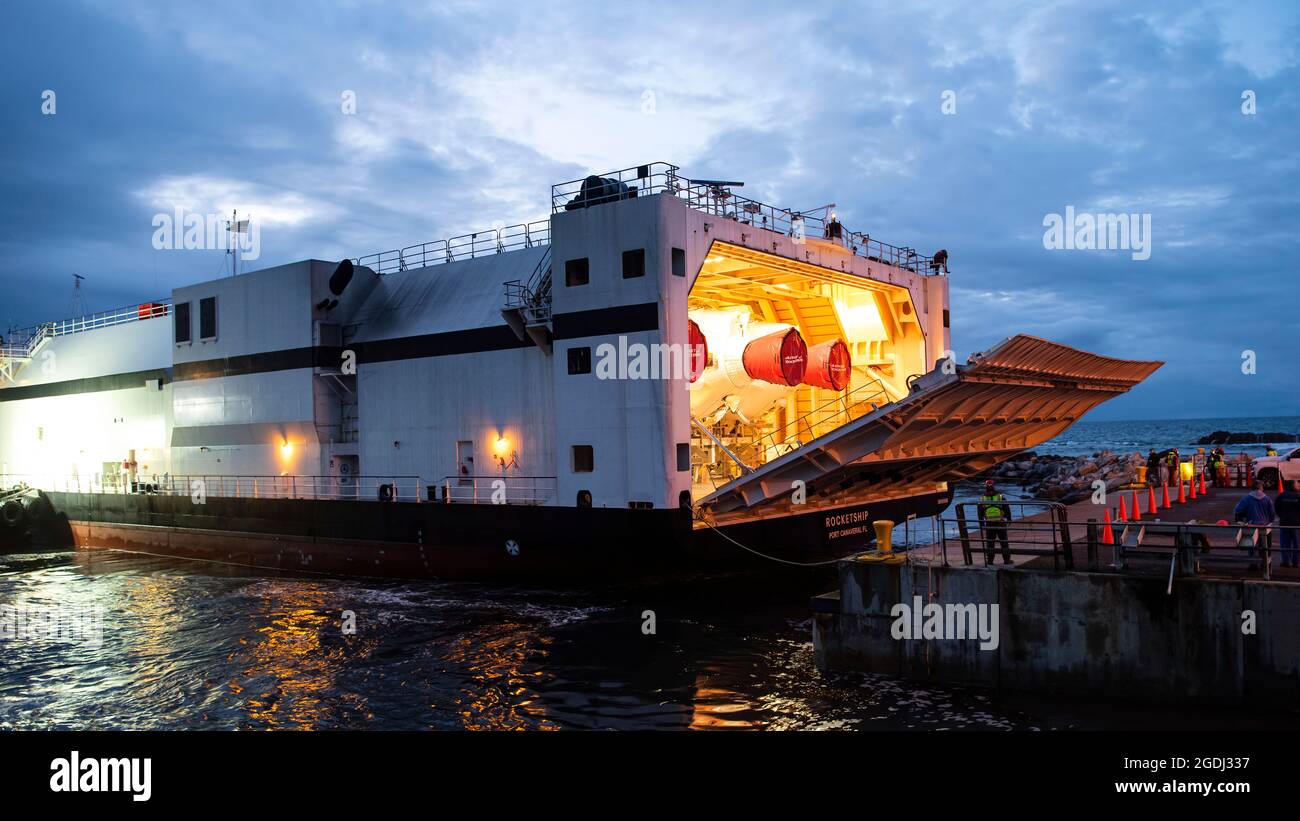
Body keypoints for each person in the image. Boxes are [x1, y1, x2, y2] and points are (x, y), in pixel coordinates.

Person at [1234, 479, 1277, 568]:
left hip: (1251, 525)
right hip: (1265, 526)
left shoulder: (1246, 498)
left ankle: (1253, 564)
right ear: (1262, 488)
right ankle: (1265, 565)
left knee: (1252, 545)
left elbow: (1237, 510)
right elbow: (1272, 514)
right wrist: (1270, 521)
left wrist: (1241, 520)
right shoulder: (1267, 499)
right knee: (1266, 547)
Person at [977, 479, 1013, 565]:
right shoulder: (1000, 497)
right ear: (994, 486)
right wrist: (1009, 518)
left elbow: (980, 512)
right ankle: (1006, 560)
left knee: (990, 543)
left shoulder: (982, 498)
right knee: (1004, 541)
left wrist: (981, 523)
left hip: (989, 523)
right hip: (1000, 522)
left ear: (986, 487)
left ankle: (990, 561)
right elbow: (1006, 508)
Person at [1276, 480, 1300, 569]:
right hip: (1297, 524)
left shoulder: (1281, 496)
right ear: (1293, 486)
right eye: (1298, 485)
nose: (1299, 486)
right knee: (1297, 543)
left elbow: (1277, 508)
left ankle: (1286, 561)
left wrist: (1282, 516)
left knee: (1285, 543)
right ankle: (1296, 562)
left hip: (1284, 522)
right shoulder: (1299, 496)